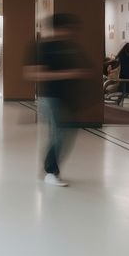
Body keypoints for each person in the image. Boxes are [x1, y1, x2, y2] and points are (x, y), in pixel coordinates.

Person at [24, 14, 94, 186]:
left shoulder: (72, 47)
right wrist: (67, 74)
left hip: (69, 99)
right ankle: (50, 171)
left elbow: (85, 69)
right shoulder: (42, 47)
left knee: (65, 135)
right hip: (50, 98)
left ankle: (51, 169)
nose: (70, 33)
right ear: (59, 29)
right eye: (68, 29)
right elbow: (31, 73)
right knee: (59, 135)